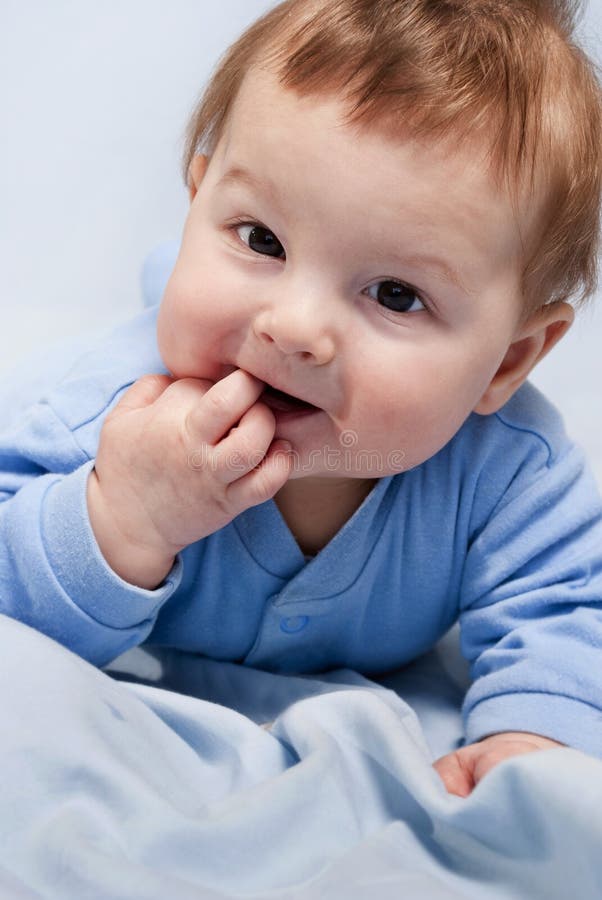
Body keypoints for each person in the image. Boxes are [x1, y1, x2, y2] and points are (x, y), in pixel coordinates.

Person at [1, 0, 601, 798]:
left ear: (508, 360)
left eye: (394, 293)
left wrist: (534, 732)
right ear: (196, 202)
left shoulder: (509, 475)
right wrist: (119, 520)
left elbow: (566, 609)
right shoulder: (112, 411)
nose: (294, 327)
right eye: (261, 240)